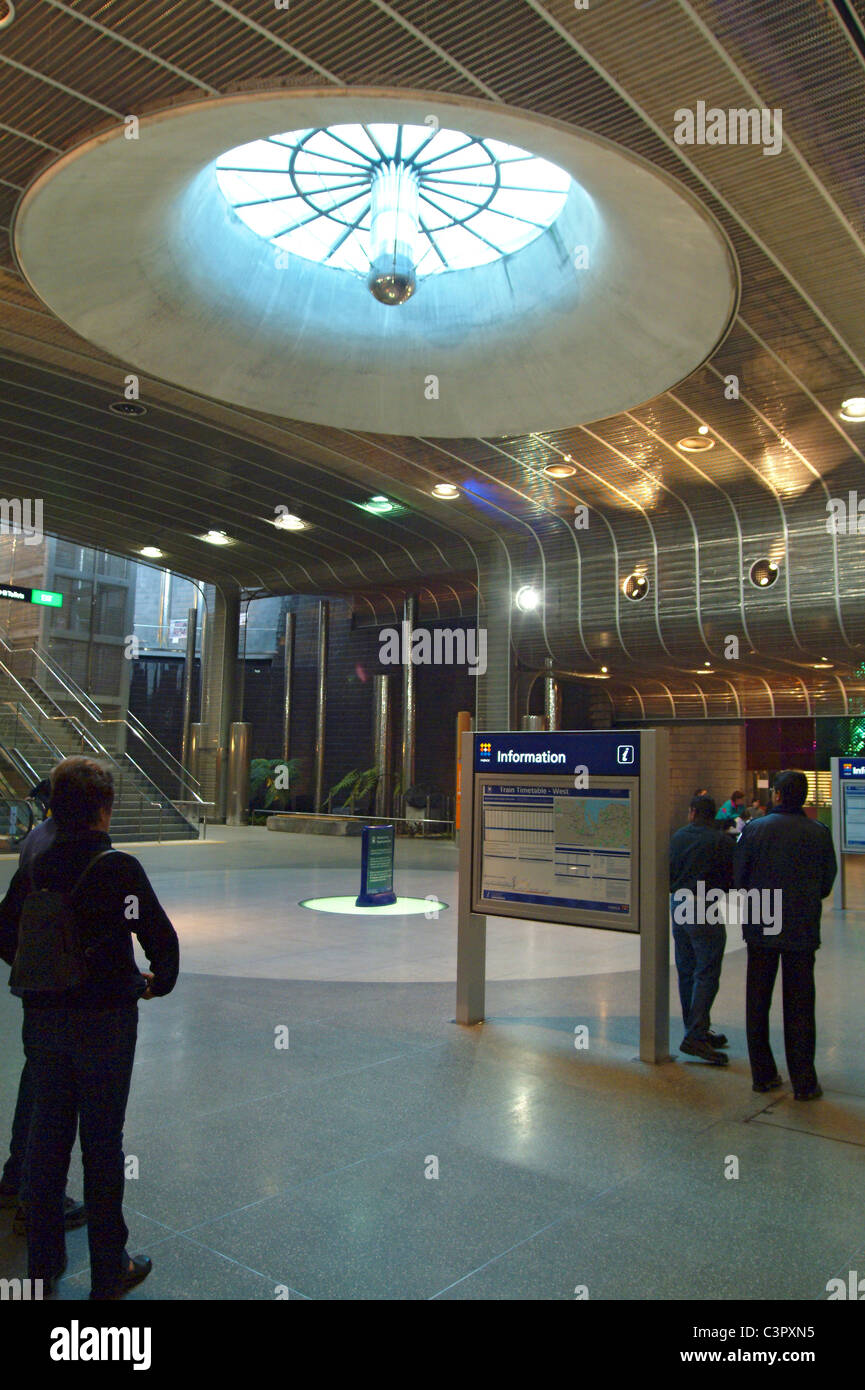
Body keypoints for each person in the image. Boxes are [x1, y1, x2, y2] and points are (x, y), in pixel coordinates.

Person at [0, 756, 180, 1299]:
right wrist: (151, 983)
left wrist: (42, 973)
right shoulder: (117, 867)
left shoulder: (37, 863)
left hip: (45, 1018)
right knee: (102, 1143)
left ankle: (42, 1266)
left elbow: (4, 929)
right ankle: (109, 1268)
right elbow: (161, 943)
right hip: (105, 1023)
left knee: (47, 1139)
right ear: (104, 809)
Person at [0, 794, 87, 1234]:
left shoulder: (36, 839)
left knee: (35, 1084)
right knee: (51, 1097)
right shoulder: (66, 850)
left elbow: (8, 915)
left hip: (37, 988)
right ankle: (37, 1198)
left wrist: (23, 965)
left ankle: (18, 1180)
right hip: (59, 993)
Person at [734, 769, 836, 1099]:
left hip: (762, 924)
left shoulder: (754, 829)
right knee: (801, 1004)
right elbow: (825, 883)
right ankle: (804, 1081)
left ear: (776, 794)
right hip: (802, 928)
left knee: (757, 1001)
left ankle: (763, 1074)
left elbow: (740, 879)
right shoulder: (819, 832)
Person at [669, 795, 734, 1065]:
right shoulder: (721, 840)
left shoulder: (678, 837)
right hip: (703, 906)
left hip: (678, 904)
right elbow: (731, 878)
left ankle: (694, 1029)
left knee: (687, 970)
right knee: (706, 972)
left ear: (693, 812)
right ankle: (696, 1034)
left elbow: (669, 871)